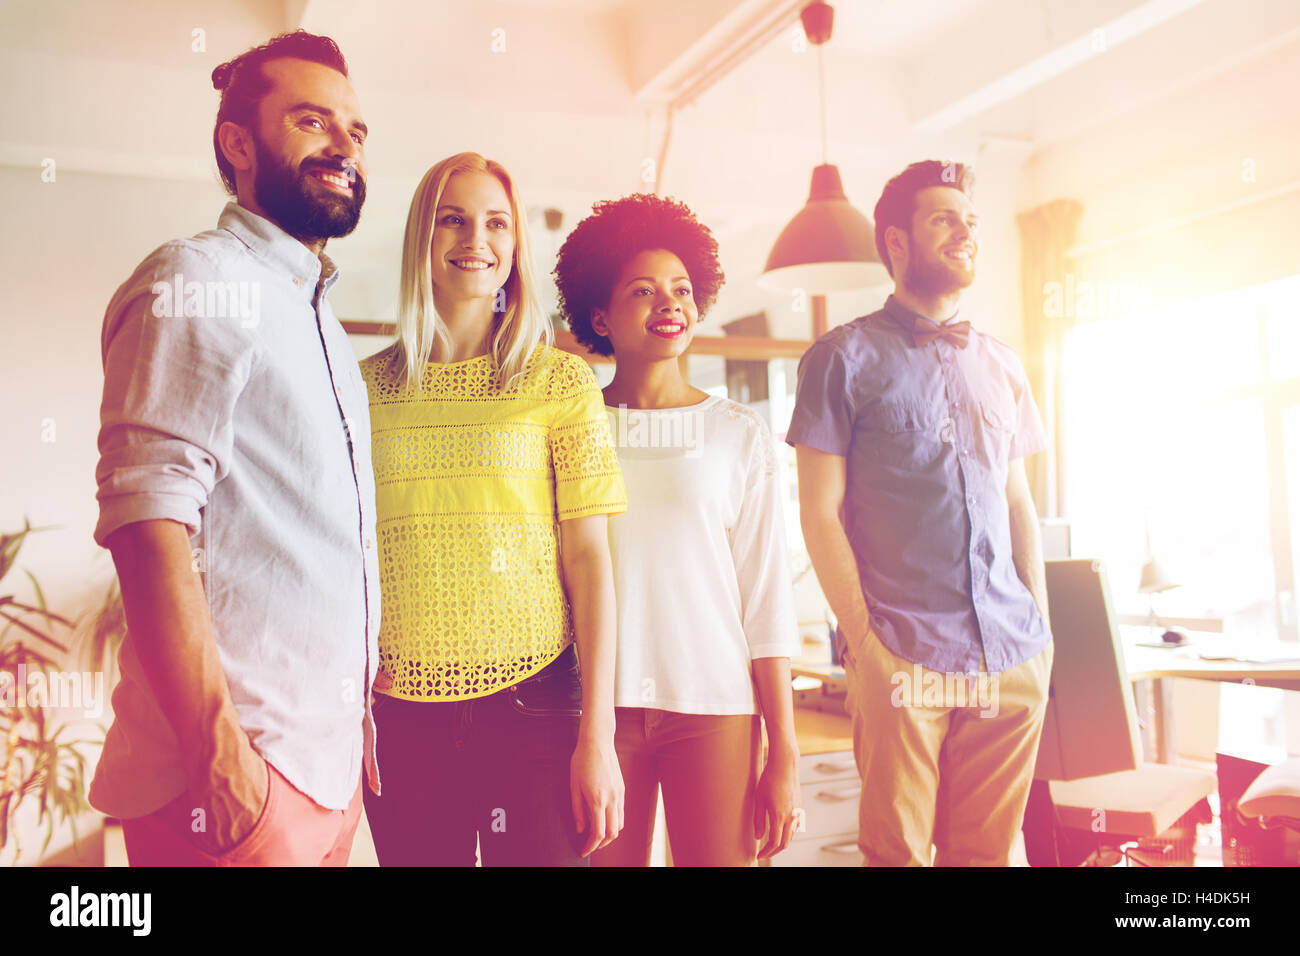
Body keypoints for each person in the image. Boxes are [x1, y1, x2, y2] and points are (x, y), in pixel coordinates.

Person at [91, 31, 380, 866]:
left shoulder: (317, 314)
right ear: (239, 142)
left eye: (356, 132)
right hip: (229, 777)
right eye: (313, 122)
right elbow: (148, 523)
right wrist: (218, 751)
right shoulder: (197, 277)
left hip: (324, 776)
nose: (343, 147)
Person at [359, 152, 626, 866]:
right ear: (424, 237)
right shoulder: (363, 391)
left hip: (536, 709)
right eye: (453, 219)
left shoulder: (561, 381)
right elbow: (340, 557)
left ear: (514, 247)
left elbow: (590, 561)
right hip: (399, 712)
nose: (475, 239)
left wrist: (597, 737)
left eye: (495, 223)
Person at [787, 160, 1054, 867]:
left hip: (1011, 648)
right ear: (896, 241)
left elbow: (1018, 501)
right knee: (896, 856)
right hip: (902, 655)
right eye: (944, 218)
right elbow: (818, 513)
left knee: (987, 860)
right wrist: (866, 648)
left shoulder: (1004, 365)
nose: (965, 230)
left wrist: (1044, 628)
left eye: (970, 219)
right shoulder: (838, 360)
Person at [554, 194, 802, 866]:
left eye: (681, 289)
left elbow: (767, 603)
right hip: (595, 715)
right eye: (644, 291)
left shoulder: (739, 436)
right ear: (599, 315)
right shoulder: (572, 426)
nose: (670, 304)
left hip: (717, 708)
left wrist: (784, 750)